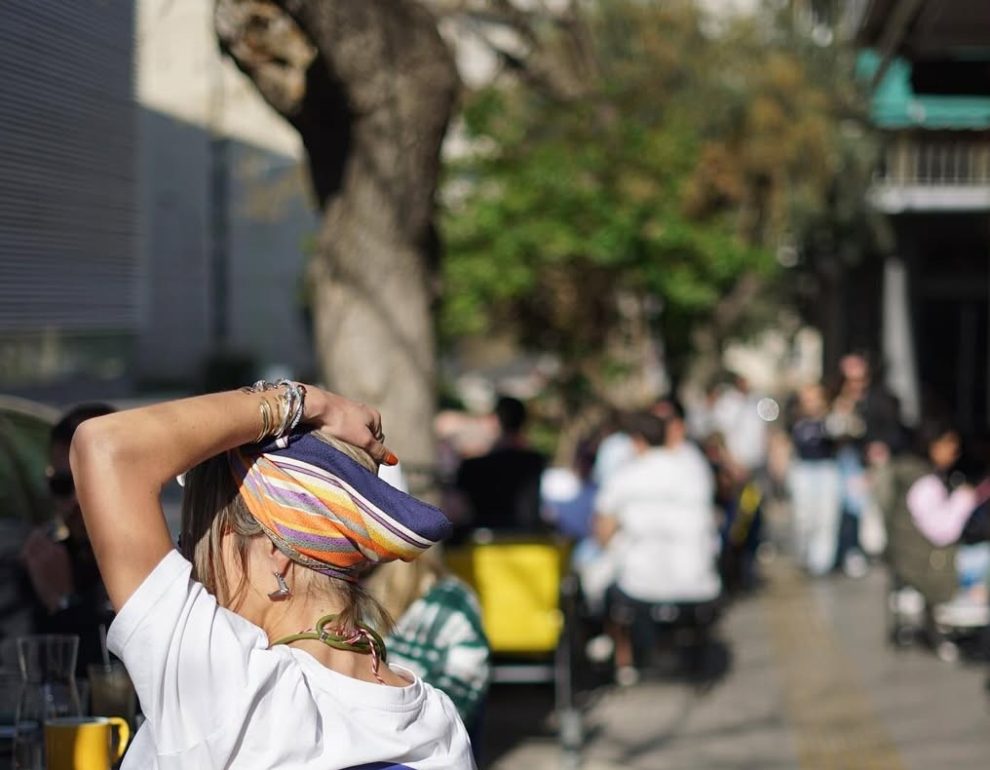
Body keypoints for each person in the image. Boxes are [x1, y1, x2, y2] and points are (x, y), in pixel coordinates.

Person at [70, 382, 475, 768]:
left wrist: (310, 402)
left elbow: (107, 447)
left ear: (273, 554)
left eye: (195, 538)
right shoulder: (438, 721)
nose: (189, 562)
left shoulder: (229, 684)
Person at [595, 410, 720, 682]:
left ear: (637, 441)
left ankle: (624, 664)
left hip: (640, 585)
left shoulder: (625, 475)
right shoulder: (695, 470)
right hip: (699, 580)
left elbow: (603, 531)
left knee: (602, 585)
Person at [20, 403, 116, 676]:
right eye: (63, 485)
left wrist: (64, 603)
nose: (76, 501)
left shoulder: (163, 563)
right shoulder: (41, 563)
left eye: (91, 481)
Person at [365, 555, 490, 762]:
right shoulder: (459, 600)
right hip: (432, 738)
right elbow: (467, 682)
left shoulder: (364, 597)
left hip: (387, 736)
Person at [453, 396, 546, 533]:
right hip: (526, 537)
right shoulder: (535, 461)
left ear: (496, 421)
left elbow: (457, 510)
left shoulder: (472, 467)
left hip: (480, 541)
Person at [788, 383, 841, 576]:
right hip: (803, 470)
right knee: (805, 517)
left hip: (825, 469)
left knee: (826, 517)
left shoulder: (831, 421)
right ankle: (805, 554)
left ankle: (822, 562)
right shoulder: (795, 421)